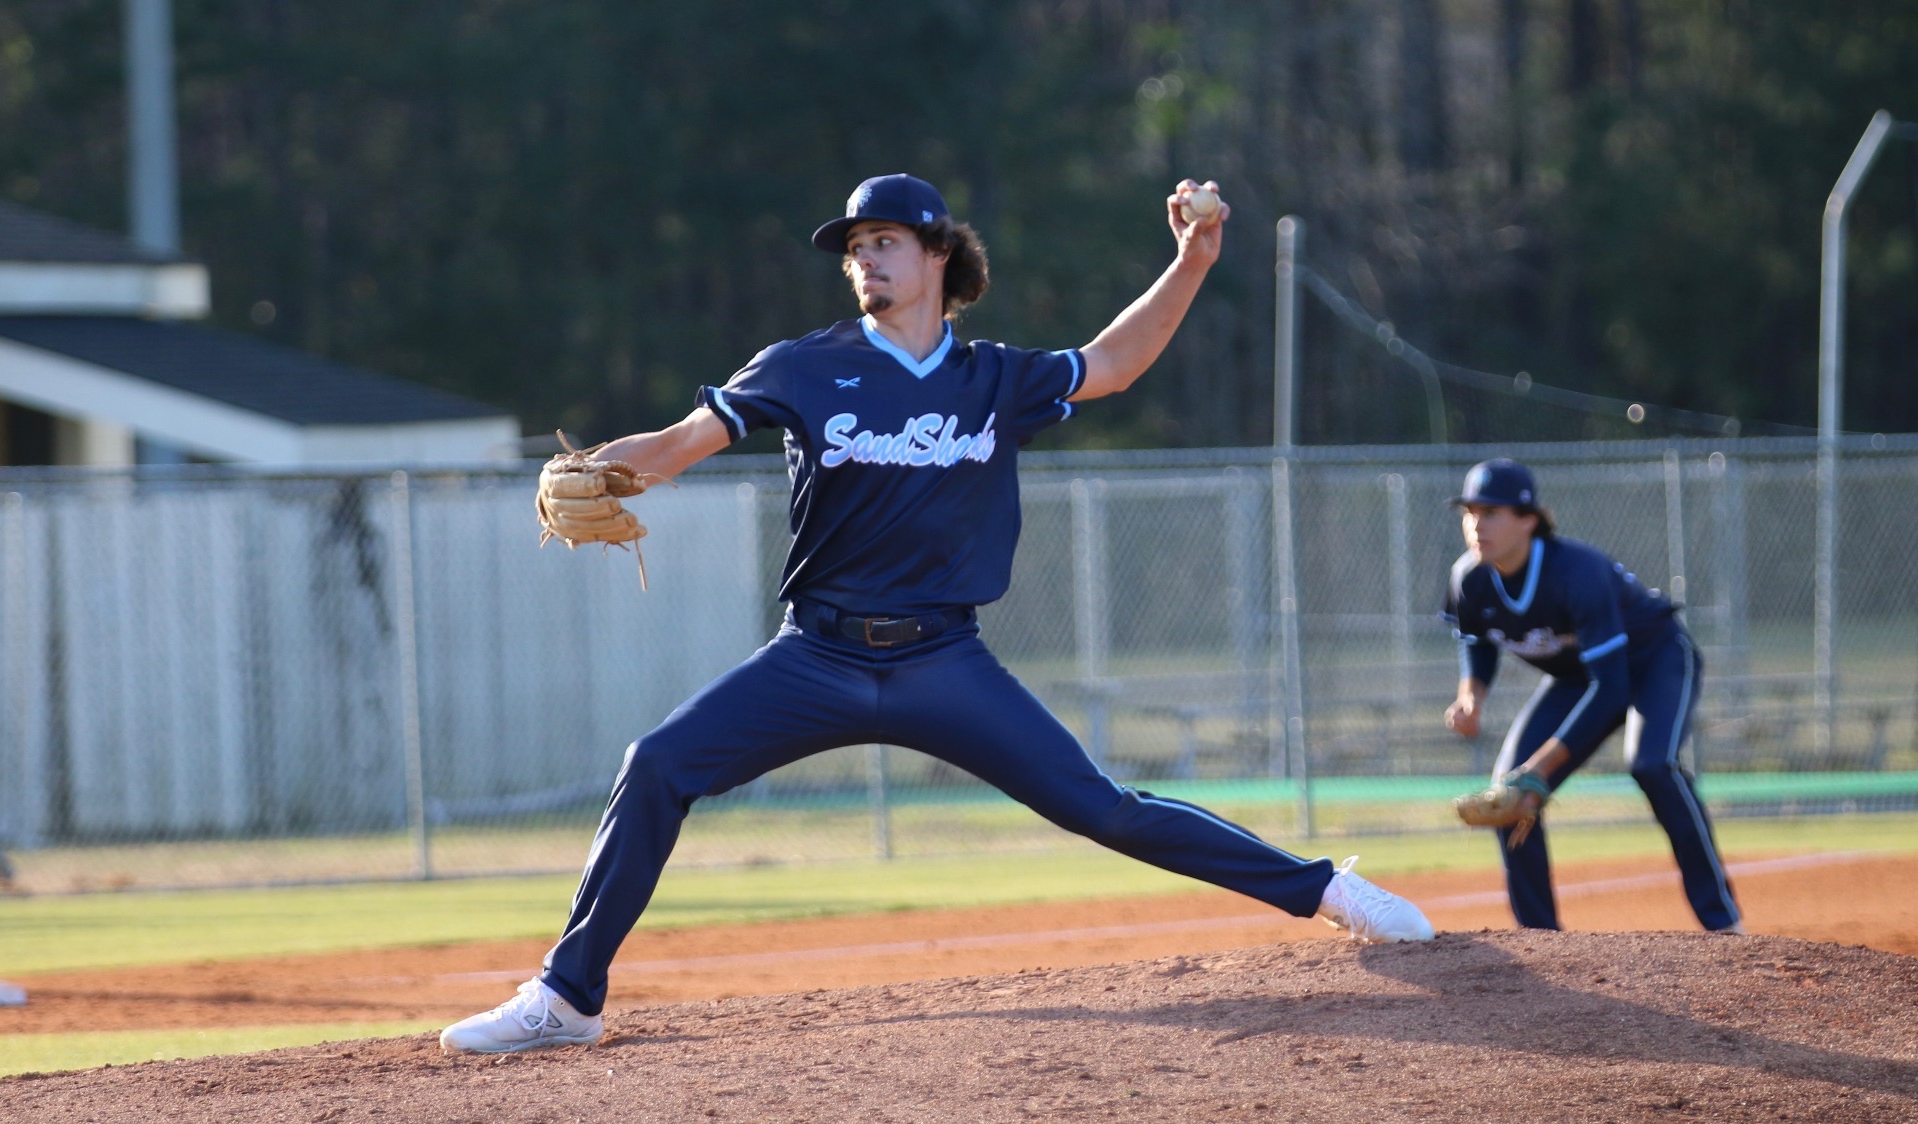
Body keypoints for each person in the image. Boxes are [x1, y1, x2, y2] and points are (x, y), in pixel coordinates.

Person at [440, 173, 1435, 1055]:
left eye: (883, 242)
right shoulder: (802, 366)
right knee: (657, 765)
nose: (864, 261)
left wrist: (1191, 261)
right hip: (816, 656)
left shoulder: (994, 379)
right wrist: (595, 466)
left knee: (1102, 807)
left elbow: (1115, 362)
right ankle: (567, 997)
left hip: (943, 661)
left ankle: (1324, 888)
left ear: (937, 255)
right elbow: (677, 442)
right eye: (854, 249)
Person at [1441, 457, 1742, 933]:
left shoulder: (1575, 572)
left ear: (1528, 519)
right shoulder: (1469, 579)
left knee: (1652, 765)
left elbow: (1612, 688)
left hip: (1653, 660)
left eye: (1492, 512)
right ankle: (1541, 939)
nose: (1477, 524)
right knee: (1508, 797)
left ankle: (1723, 924)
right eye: (1470, 512)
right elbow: (1476, 640)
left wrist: (1539, 769)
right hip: (1579, 677)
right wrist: (1471, 695)